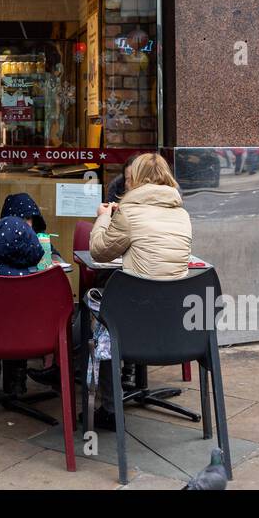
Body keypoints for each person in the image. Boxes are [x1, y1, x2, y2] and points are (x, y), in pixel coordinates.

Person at [87, 152, 192, 429]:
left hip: (135, 328)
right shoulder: (182, 214)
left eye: (131, 177)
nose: (127, 182)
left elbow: (98, 251)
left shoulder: (129, 213)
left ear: (139, 180)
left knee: (101, 316)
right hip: (178, 326)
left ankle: (110, 406)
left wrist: (102, 218)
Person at [0, 193, 57, 395]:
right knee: (13, 316)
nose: (24, 226)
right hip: (32, 329)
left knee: (4, 316)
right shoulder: (31, 251)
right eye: (22, 220)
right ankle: (12, 381)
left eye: (28, 220)